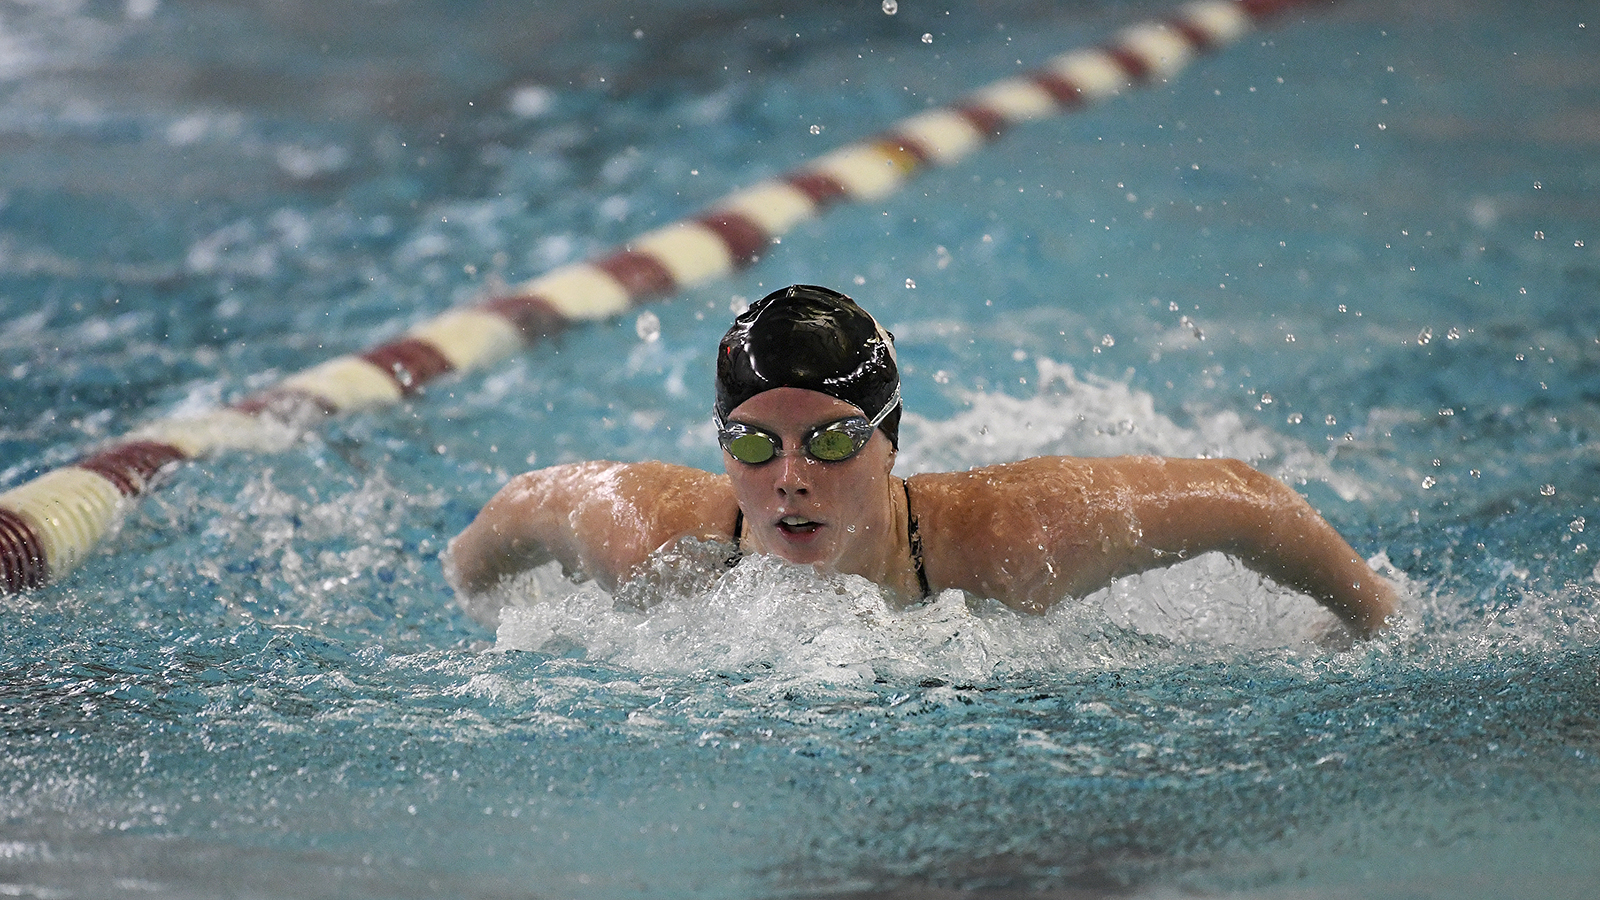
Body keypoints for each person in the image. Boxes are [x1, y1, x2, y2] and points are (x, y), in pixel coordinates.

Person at [447, 285, 1399, 637]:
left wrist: (1373, 625)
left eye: (829, 439)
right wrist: (474, 605)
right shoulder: (652, 542)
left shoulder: (1015, 541)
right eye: (751, 442)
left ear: (891, 440)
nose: (789, 477)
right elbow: (514, 515)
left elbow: (1244, 497)